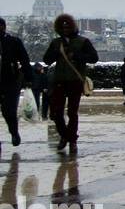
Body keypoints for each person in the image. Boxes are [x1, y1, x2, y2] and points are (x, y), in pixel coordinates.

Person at [42, 14, 99, 157]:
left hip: (75, 80)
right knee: (56, 112)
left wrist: (77, 56)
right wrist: (57, 53)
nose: (65, 29)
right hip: (60, 80)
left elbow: (94, 58)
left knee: (72, 112)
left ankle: (70, 139)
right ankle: (67, 136)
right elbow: (46, 59)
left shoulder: (83, 42)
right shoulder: (56, 43)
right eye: (63, 27)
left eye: (67, 27)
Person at [0, 18, 35, 154]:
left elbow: (24, 59)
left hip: (10, 81)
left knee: (9, 111)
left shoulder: (13, 42)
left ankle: (14, 132)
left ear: (4, 27)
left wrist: (29, 78)